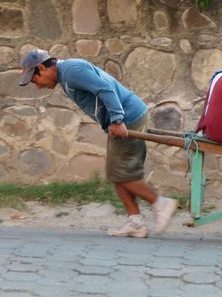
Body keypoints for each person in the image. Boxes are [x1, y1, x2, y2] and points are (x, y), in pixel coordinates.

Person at [19, 49, 177, 238]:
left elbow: (105, 89)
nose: (38, 87)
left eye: (35, 80)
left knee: (122, 174)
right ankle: (135, 222)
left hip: (128, 118)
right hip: (123, 119)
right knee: (116, 172)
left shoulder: (71, 71)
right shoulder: (65, 75)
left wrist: (118, 120)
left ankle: (160, 203)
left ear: (41, 67)